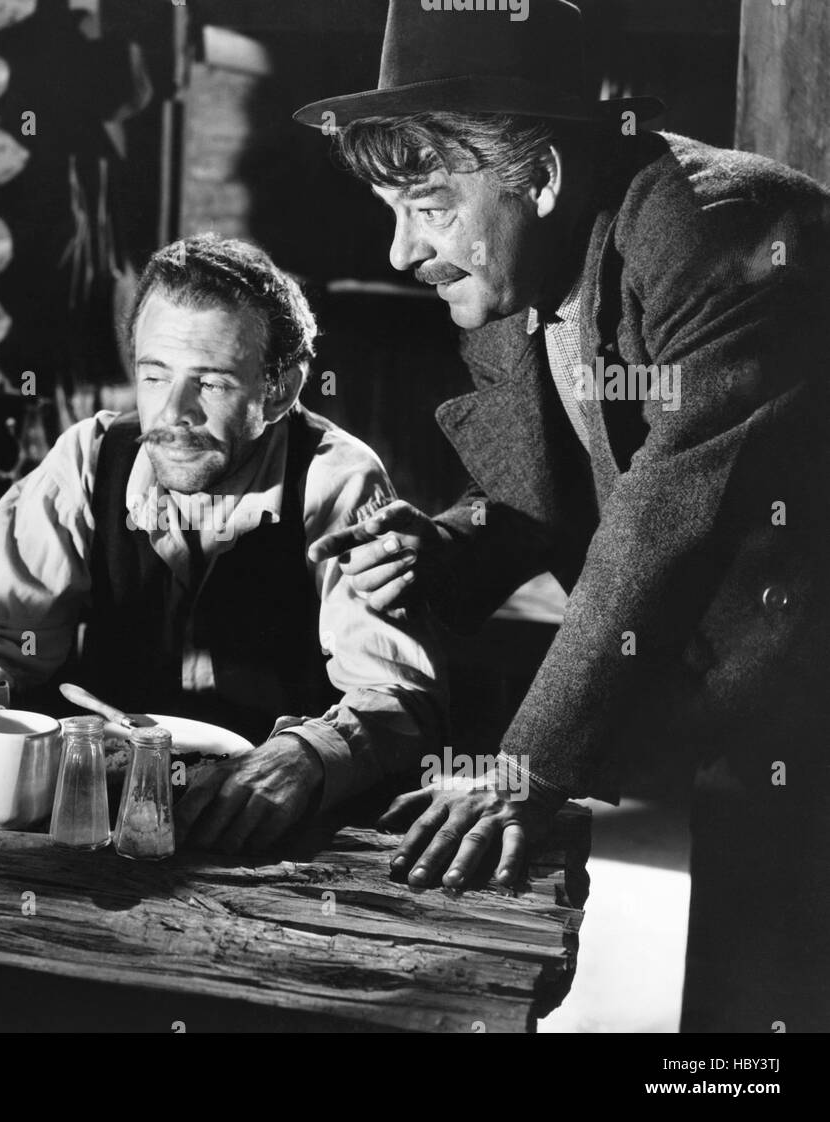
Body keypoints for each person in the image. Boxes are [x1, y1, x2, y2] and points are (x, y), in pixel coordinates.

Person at [297, 0, 830, 1030]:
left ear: (535, 178)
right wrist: (444, 550)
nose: (403, 252)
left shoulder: (711, 230)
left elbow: (671, 512)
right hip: (770, 699)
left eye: (426, 205)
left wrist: (522, 768)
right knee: (744, 1012)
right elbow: (549, 492)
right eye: (390, 209)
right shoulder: (527, 272)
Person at [0, 234, 446, 853]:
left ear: (281, 389)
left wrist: (310, 756)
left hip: (267, 840)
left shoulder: (335, 480)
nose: (173, 413)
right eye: (154, 375)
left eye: (210, 384)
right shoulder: (89, 459)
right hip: (93, 828)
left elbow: (398, 694)